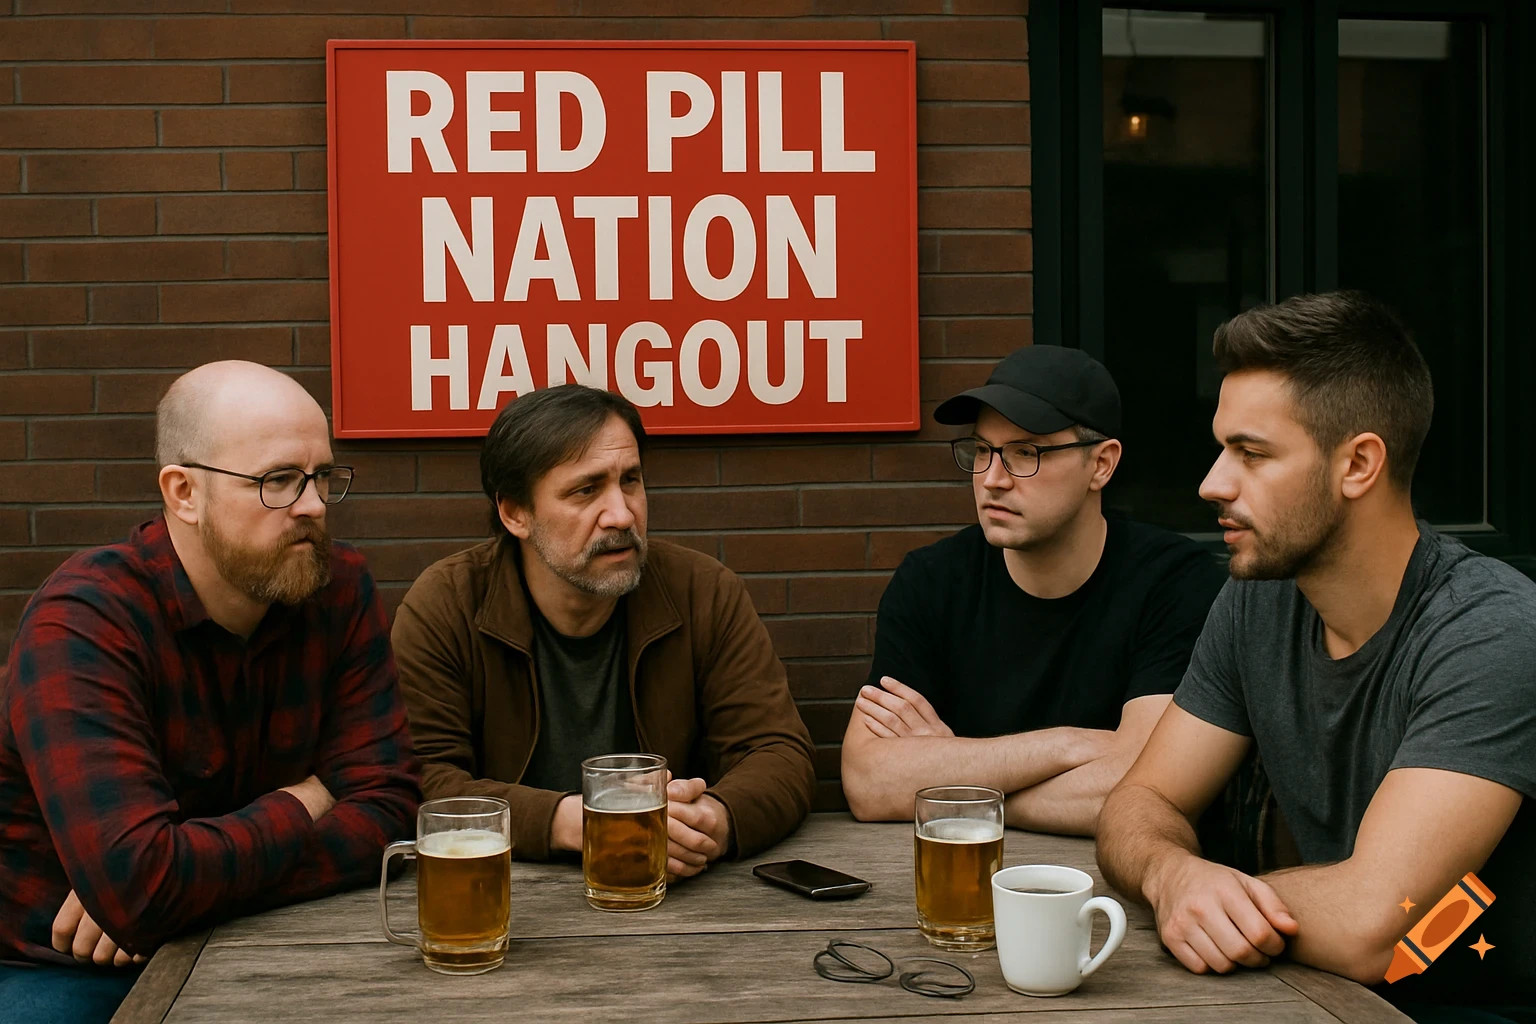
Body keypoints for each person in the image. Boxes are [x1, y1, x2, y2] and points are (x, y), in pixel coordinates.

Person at [1095, 291, 1536, 1023]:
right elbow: (1140, 803)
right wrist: (1174, 874)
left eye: (1251, 453)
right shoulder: (1259, 599)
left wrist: (1215, 893)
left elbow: (1376, 926)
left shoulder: (1492, 633)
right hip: (1308, 992)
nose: (1212, 483)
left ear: (1358, 464)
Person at [0, 361, 421, 1024]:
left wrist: (179, 882)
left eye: (322, 477)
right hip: (74, 969)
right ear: (183, 493)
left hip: (276, 935)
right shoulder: (83, 622)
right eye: (279, 481)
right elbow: (141, 888)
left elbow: (393, 806)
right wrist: (305, 797)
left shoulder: (336, 588)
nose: (311, 505)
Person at [392, 384, 816, 876]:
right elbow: (421, 778)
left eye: (631, 481)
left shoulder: (702, 590)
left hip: (676, 896)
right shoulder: (447, 604)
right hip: (506, 893)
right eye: (586, 490)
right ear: (515, 513)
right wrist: (571, 821)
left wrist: (712, 819)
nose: (621, 514)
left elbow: (780, 752)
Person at [841, 345, 1226, 834]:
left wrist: (957, 789)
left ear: (1102, 465)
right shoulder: (931, 581)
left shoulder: (1174, 582)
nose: (992, 479)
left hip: (1114, 893)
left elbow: (1153, 786)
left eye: (1026, 453)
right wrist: (1069, 746)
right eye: (982, 450)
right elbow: (868, 781)